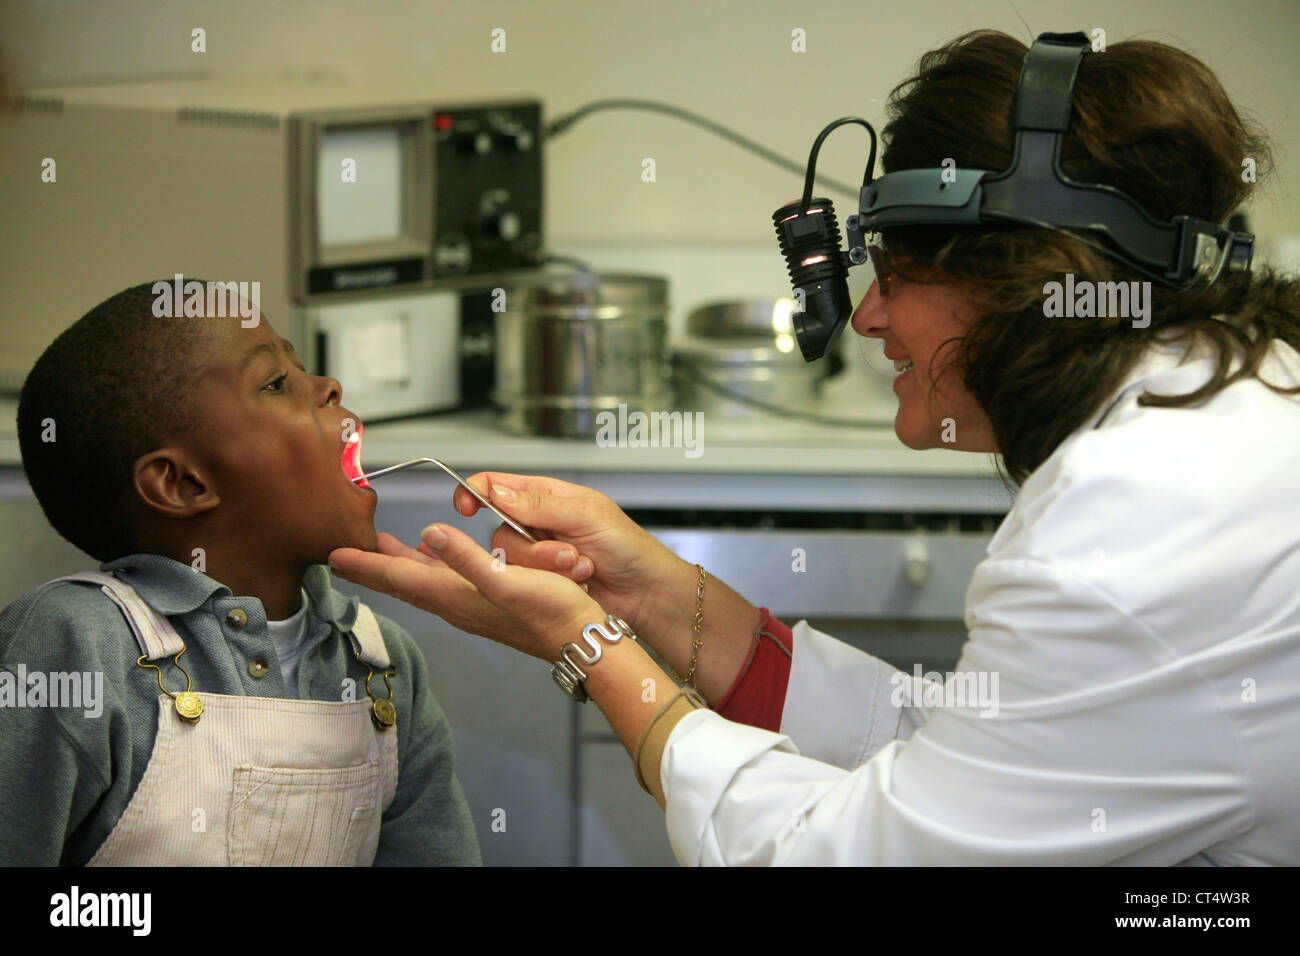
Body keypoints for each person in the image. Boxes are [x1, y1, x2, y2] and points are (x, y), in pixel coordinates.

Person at [328, 29, 1300, 865]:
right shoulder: (1219, 414)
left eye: (899, 271)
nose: (868, 314)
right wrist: (654, 592)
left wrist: (586, 643)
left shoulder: (1128, 527)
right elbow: (977, 754)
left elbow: (847, 853)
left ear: (1026, 282)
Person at [0, 282, 480, 865]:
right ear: (185, 484)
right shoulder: (76, 643)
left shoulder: (384, 666)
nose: (330, 387)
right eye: (277, 384)